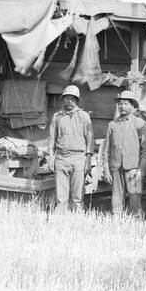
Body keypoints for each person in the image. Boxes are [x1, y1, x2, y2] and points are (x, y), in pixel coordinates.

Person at [48, 84, 93, 212]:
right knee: (61, 196)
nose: (69, 101)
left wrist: (88, 160)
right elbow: (52, 138)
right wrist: (50, 157)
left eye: (72, 99)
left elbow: (90, 139)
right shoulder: (57, 116)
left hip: (78, 158)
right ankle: (60, 218)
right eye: (67, 98)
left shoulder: (84, 116)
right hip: (61, 158)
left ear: (77, 101)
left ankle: (77, 218)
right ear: (62, 100)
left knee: (77, 195)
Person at [102, 90, 145, 215]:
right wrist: (106, 169)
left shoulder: (139, 123)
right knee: (116, 194)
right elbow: (107, 149)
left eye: (126, 104)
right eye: (120, 104)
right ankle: (116, 216)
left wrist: (141, 168)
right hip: (116, 166)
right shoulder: (112, 125)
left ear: (132, 106)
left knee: (135, 195)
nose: (122, 107)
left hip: (133, 167)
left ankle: (135, 217)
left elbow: (145, 150)